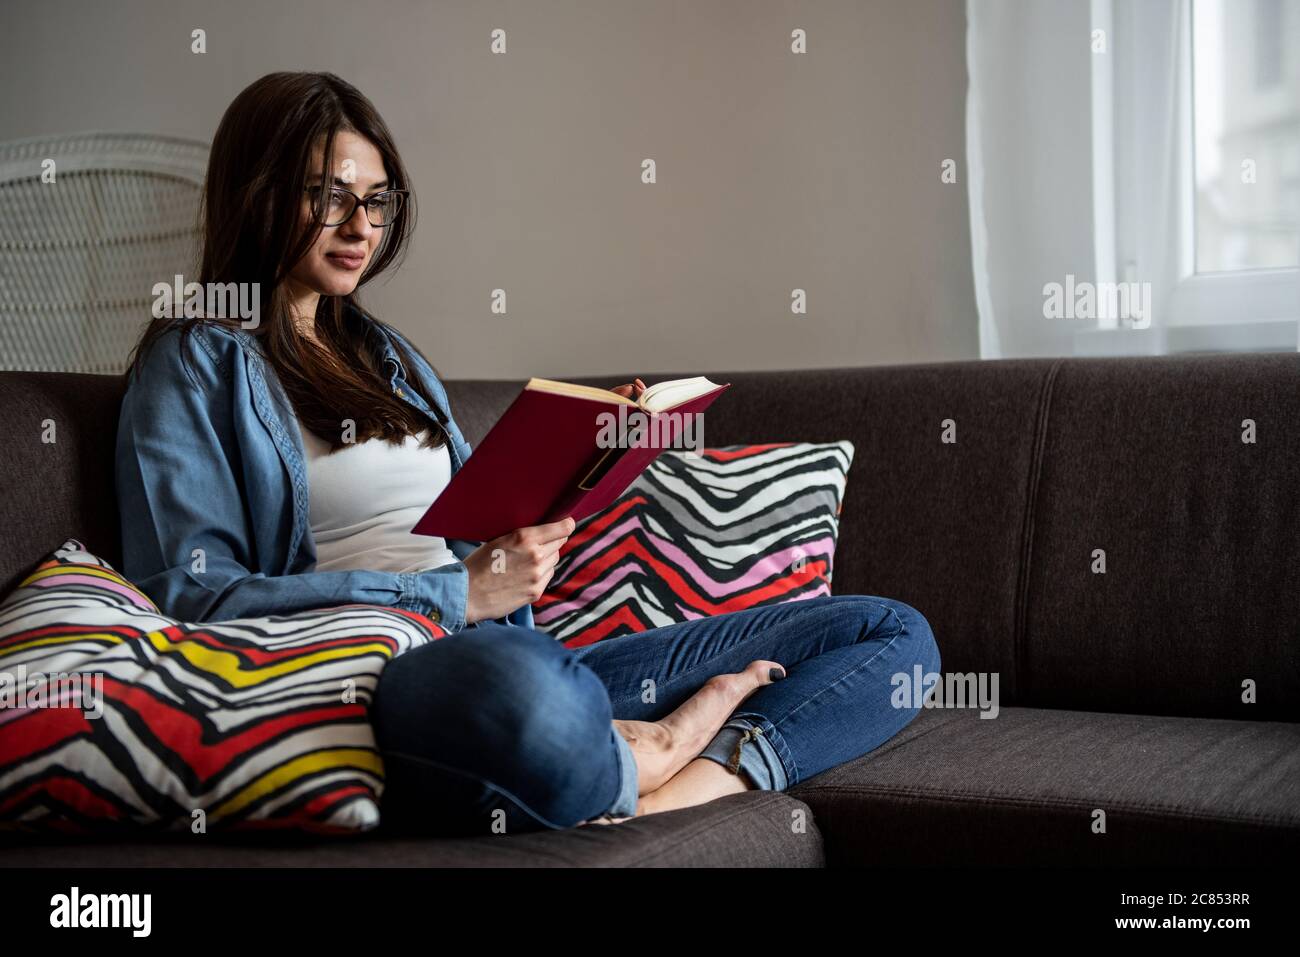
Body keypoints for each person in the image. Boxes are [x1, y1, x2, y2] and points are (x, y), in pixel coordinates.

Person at [116, 71, 940, 834]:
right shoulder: (192, 364)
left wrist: (567, 479)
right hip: (389, 680)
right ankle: (633, 752)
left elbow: (484, 528)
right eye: (328, 199)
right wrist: (453, 595)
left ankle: (702, 776)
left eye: (377, 200)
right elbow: (192, 602)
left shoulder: (386, 358)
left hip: (527, 655)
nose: (362, 226)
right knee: (518, 697)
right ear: (257, 194)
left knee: (892, 633)